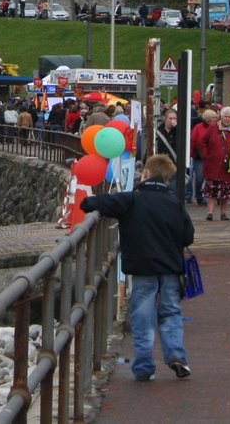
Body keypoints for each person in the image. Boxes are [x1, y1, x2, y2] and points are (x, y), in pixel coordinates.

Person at [80, 153, 195, 382]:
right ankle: (176, 355)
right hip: (171, 268)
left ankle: (144, 365)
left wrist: (85, 202)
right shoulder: (174, 203)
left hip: (143, 267)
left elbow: (101, 202)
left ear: (145, 174)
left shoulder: (132, 200)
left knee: (143, 315)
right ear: (167, 179)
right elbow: (188, 235)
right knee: (171, 312)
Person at [200, 107, 230, 220]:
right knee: (212, 192)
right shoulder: (213, 127)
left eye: (229, 117)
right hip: (213, 165)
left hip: (228, 167)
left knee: (226, 193)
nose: (227, 119)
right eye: (225, 116)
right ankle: (210, 213)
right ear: (221, 116)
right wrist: (206, 155)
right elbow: (202, 142)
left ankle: (224, 214)